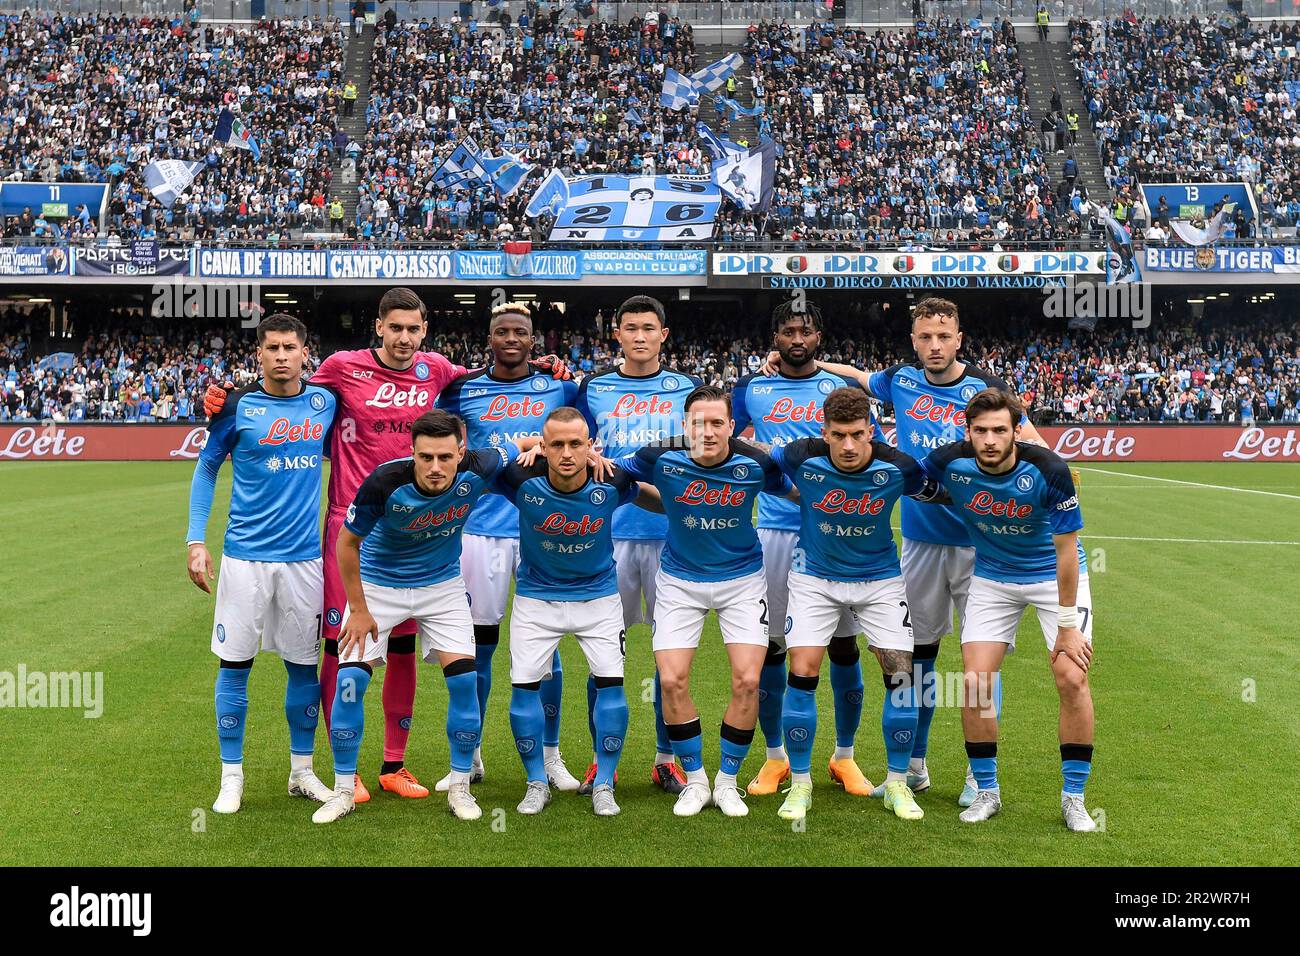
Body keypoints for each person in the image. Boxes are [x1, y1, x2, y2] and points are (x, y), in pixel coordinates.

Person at [204, 289, 468, 804]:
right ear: (378, 327)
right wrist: (224, 399)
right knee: (340, 645)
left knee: (402, 645)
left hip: (412, 529)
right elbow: (283, 385)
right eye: (396, 328)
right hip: (347, 529)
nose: (405, 338)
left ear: (425, 329)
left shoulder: (436, 370)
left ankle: (395, 762)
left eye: (414, 329)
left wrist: (548, 367)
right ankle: (345, 764)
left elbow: (484, 384)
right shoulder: (343, 369)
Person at [788, 296, 1046, 806]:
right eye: (924, 336)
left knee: (979, 665)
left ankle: (979, 773)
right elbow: (860, 377)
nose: (934, 345)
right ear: (913, 340)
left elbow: (1034, 445)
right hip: (922, 542)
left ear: (959, 339)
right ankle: (914, 766)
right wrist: (810, 364)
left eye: (943, 336)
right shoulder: (900, 381)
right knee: (916, 658)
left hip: (981, 545)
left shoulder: (986, 390)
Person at [312, 410, 516, 824]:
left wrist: (541, 448)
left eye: (445, 457)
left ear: (462, 453)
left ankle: (460, 787)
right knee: (350, 684)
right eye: (426, 457)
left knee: (463, 683)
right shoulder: (385, 482)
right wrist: (359, 608)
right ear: (412, 453)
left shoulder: (482, 465)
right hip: (379, 586)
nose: (436, 468)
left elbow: (522, 449)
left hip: (441, 588)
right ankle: (343, 790)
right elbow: (347, 544)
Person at [762, 387, 948, 822]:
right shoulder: (797, 455)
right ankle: (801, 785)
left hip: (880, 581)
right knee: (803, 670)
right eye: (838, 435)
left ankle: (898, 784)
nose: (848, 446)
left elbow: (946, 492)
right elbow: (752, 457)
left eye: (858, 435)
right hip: (813, 579)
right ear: (824, 432)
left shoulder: (899, 467)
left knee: (902, 677)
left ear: (873, 431)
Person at [614, 386, 797, 818]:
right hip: (679, 581)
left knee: (748, 681)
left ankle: (728, 782)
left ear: (732, 427)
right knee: (672, 681)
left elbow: (796, 492)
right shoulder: (658, 458)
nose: (708, 431)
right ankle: (695, 780)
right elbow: (612, 473)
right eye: (699, 423)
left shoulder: (757, 463)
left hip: (743, 581)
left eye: (717, 423)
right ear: (685, 426)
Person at [922, 389, 1097, 831]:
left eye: (1000, 430)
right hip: (993, 579)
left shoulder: (1048, 470)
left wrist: (1066, 626)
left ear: (1016, 431)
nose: (990, 439)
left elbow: (1066, 553)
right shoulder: (948, 462)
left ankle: (1074, 798)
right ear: (968, 431)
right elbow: (905, 475)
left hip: (1050, 580)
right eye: (980, 430)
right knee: (976, 683)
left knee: (1071, 677)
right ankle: (986, 791)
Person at [185, 314, 339, 816]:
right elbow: (208, 465)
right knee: (235, 666)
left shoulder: (324, 402)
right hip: (244, 560)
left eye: (289, 347)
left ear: (303, 352)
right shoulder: (235, 405)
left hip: (303, 563)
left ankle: (301, 772)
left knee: (303, 668)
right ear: (258, 354)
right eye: (271, 346)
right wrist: (195, 540)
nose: (280, 355)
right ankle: (232, 777)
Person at [733, 300, 877, 800]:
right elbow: (721, 444)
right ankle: (776, 758)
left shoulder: (840, 391)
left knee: (842, 646)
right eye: (789, 330)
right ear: (775, 335)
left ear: (820, 336)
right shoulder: (751, 388)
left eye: (807, 330)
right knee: (775, 647)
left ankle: (844, 756)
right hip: (774, 532)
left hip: (839, 530)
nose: (798, 338)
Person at [437, 302, 580, 793]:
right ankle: (470, 753)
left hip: (543, 528)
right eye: (503, 331)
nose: (512, 339)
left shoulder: (559, 386)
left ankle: (552, 755)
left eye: (521, 331)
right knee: (478, 646)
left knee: (547, 648)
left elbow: (582, 442)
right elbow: (443, 442)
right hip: (479, 531)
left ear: (533, 339)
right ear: (490, 338)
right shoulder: (462, 389)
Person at [494, 408, 662, 817]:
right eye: (556, 445)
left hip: (599, 600)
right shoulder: (519, 477)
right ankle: (537, 781)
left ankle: (604, 781)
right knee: (523, 690)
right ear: (543, 446)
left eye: (576, 444)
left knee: (610, 687)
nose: (566, 453)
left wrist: (686, 510)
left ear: (591, 446)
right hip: (536, 600)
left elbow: (654, 498)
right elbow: (475, 463)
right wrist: (520, 446)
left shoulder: (612, 479)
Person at [574, 295, 700, 795]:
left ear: (664, 335)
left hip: (674, 536)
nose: (641, 336)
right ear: (617, 335)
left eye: (650, 327)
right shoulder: (595, 387)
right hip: (611, 535)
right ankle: (600, 760)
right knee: (606, 653)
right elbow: (579, 443)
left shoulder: (687, 388)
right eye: (631, 328)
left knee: (668, 658)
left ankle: (666, 758)